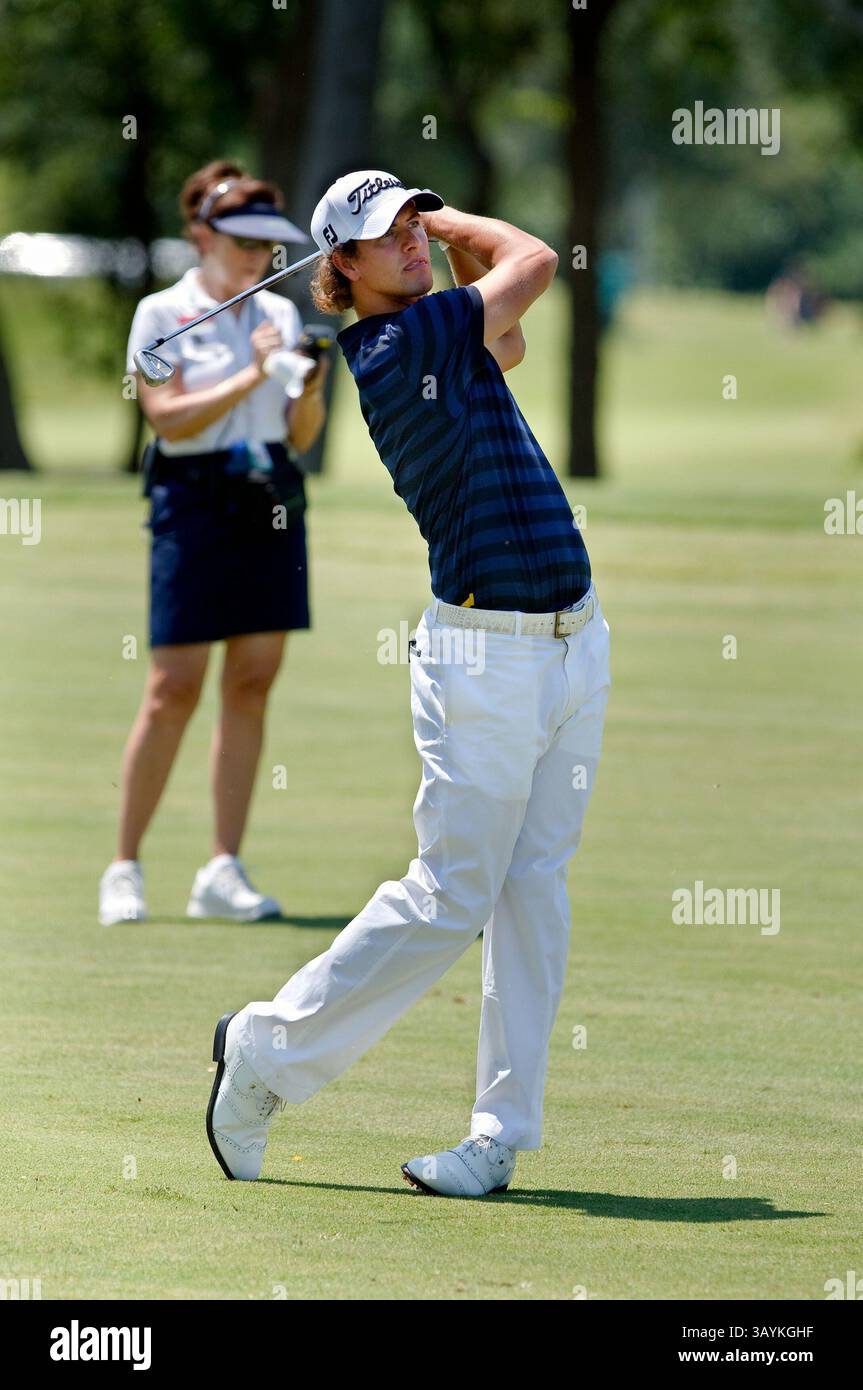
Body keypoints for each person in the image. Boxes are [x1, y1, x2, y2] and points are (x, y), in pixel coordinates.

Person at [205, 170, 611, 1197]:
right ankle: (263, 1050)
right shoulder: (394, 347)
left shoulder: (445, 328)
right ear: (340, 264)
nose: (413, 243)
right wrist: (452, 223)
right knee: (449, 891)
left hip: (572, 640)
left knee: (533, 893)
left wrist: (422, 232)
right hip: (485, 656)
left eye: (415, 225)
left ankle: (495, 1139)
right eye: (389, 235)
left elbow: (508, 324)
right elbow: (528, 263)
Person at [99, 160, 329, 926]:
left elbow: (299, 436)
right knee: (173, 688)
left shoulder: (281, 317)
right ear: (203, 234)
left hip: (267, 493)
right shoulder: (162, 314)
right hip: (190, 499)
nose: (257, 260)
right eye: (243, 244)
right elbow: (167, 418)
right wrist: (252, 375)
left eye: (268, 248)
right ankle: (125, 866)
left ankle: (221, 869)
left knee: (252, 681)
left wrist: (309, 389)